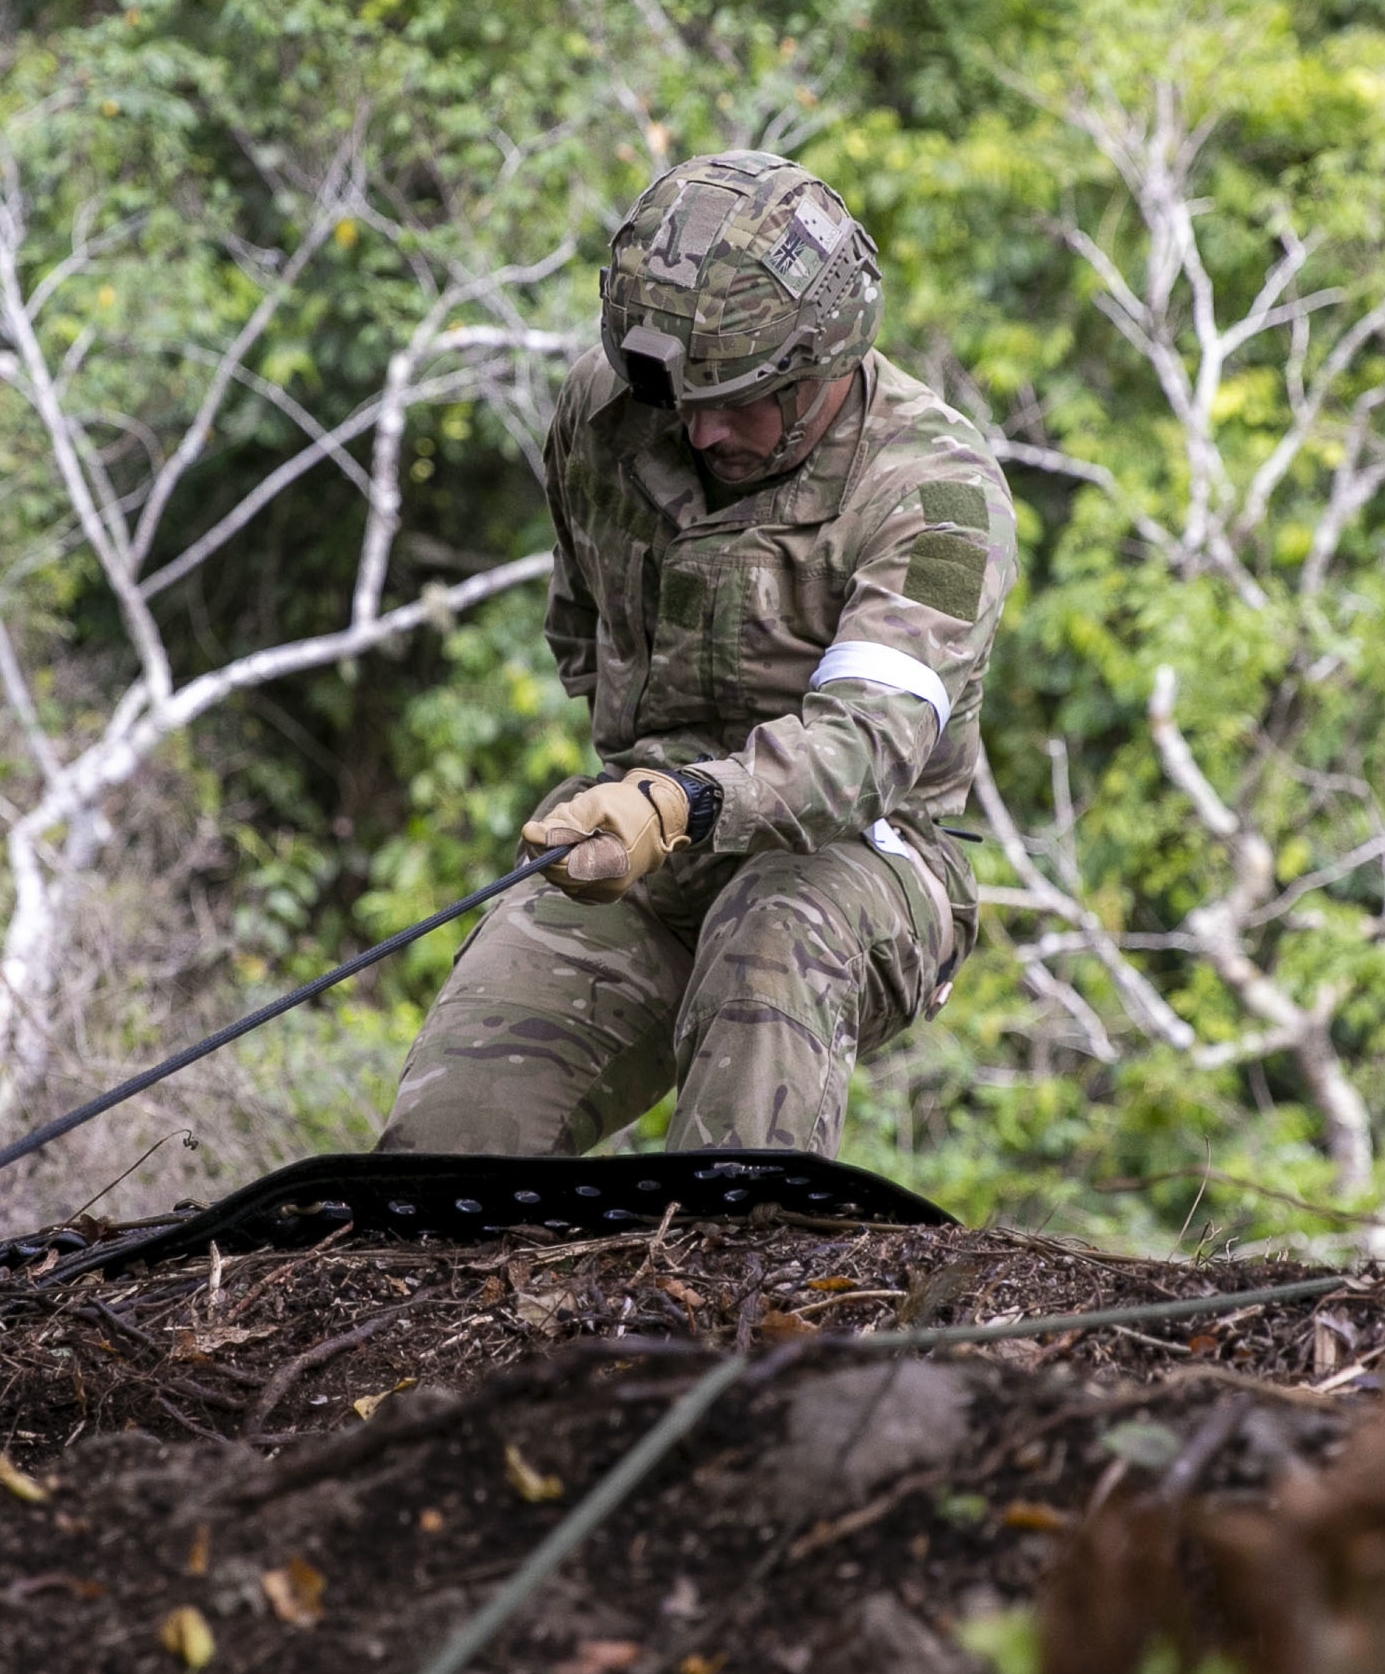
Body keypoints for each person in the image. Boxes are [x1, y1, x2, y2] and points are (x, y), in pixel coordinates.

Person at [380, 150, 1012, 1159]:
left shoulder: (936, 496)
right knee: (446, 1149)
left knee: (770, 933)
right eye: (680, 396)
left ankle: (739, 1277)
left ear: (825, 367)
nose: (702, 427)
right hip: (646, 859)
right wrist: (631, 803)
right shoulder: (608, 420)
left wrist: (677, 803)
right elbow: (580, 629)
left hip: (859, 864)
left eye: (740, 399)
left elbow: (862, 752)